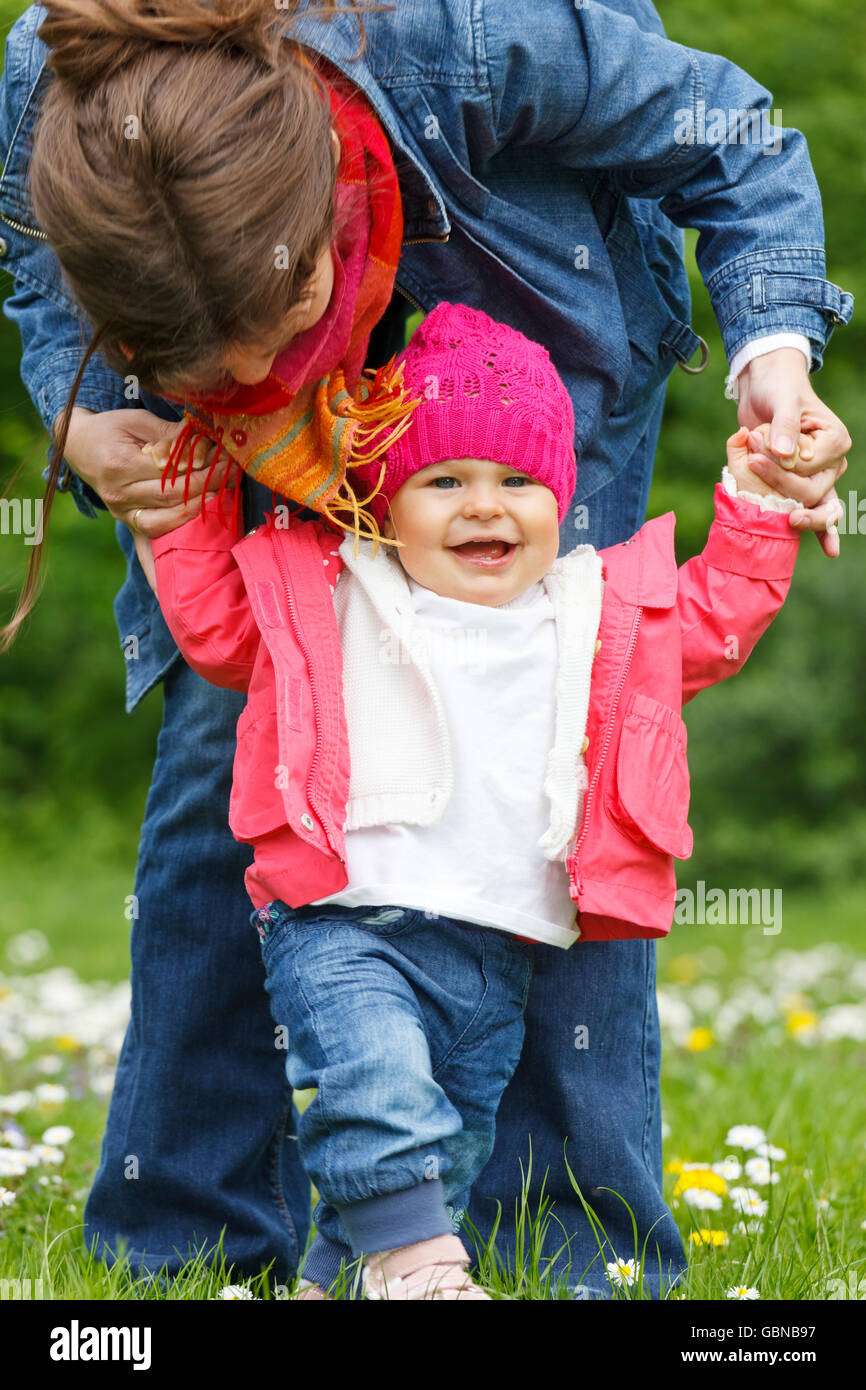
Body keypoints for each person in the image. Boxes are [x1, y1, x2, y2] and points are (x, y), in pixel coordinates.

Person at [0, 0, 852, 1296]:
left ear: (324, 206)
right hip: (216, 358)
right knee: (242, 745)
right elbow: (30, 247)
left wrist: (772, 357)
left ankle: (564, 1242)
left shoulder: (468, 34)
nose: (274, 379)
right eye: (224, 367)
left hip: (525, 376)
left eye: (282, 340)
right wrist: (89, 411)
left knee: (564, 748)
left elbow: (727, 131)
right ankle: (192, 1244)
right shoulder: (51, 69)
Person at [146, 301, 816, 1299]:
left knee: (445, 1151)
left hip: (498, 953)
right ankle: (420, 1272)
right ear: (383, 500)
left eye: (516, 482)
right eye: (443, 480)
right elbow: (215, 633)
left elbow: (716, 621)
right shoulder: (345, 592)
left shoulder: (590, 612)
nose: (484, 506)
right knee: (377, 1096)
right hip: (343, 925)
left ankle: (345, 1274)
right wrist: (185, 510)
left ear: (556, 498)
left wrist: (757, 503)